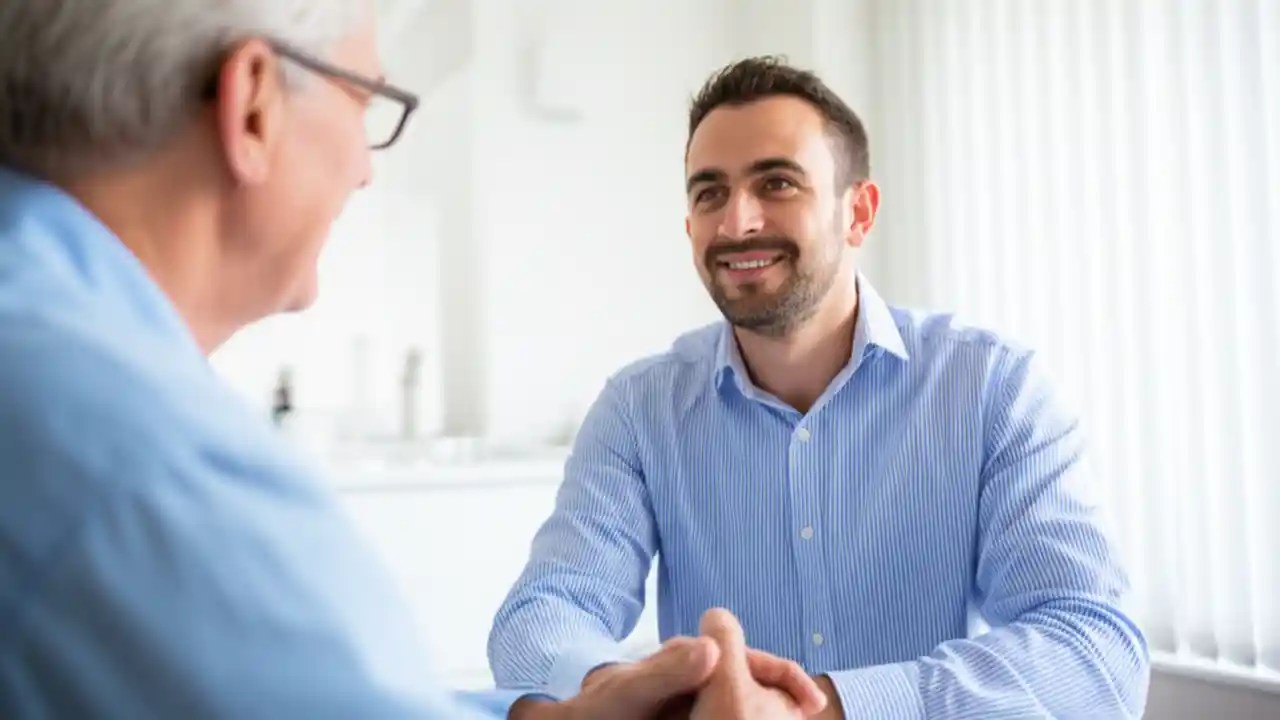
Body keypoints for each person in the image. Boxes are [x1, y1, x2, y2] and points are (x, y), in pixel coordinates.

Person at [0, 3, 825, 718]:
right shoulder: (144, 466)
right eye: (367, 102)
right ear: (252, 105)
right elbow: (542, 616)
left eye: (777, 185)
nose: (365, 167)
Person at [489, 56, 1151, 718]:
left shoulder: (993, 388)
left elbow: (1094, 651)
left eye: (776, 183)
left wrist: (820, 708)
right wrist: (632, 689)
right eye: (709, 192)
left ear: (857, 213)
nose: (737, 222)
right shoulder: (639, 411)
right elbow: (541, 618)